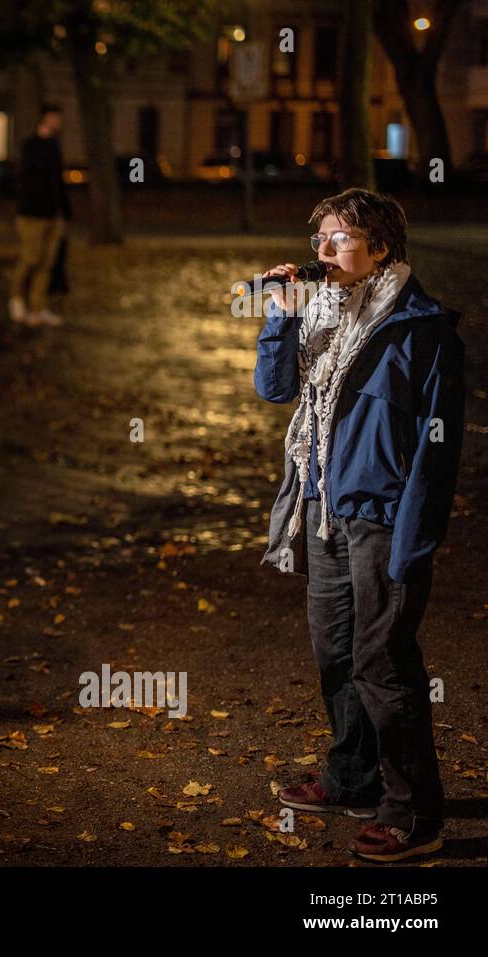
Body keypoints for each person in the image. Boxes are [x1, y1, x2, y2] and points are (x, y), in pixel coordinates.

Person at [255, 188, 464, 863]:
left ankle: (413, 813)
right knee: (336, 652)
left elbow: (437, 453)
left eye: (338, 238)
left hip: (382, 522)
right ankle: (353, 776)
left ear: (380, 247)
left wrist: (413, 544)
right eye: (319, 237)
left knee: (384, 663)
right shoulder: (321, 314)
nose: (322, 251)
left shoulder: (421, 328)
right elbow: (275, 387)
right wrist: (279, 319)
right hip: (322, 510)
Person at [9, 106, 71, 327]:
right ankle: (16, 299)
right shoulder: (30, 146)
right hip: (32, 214)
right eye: (56, 118)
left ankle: (38, 307)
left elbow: (57, 182)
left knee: (47, 262)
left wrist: (63, 211)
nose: (59, 123)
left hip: (51, 214)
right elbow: (27, 180)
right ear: (45, 119)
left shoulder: (54, 146)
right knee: (31, 258)